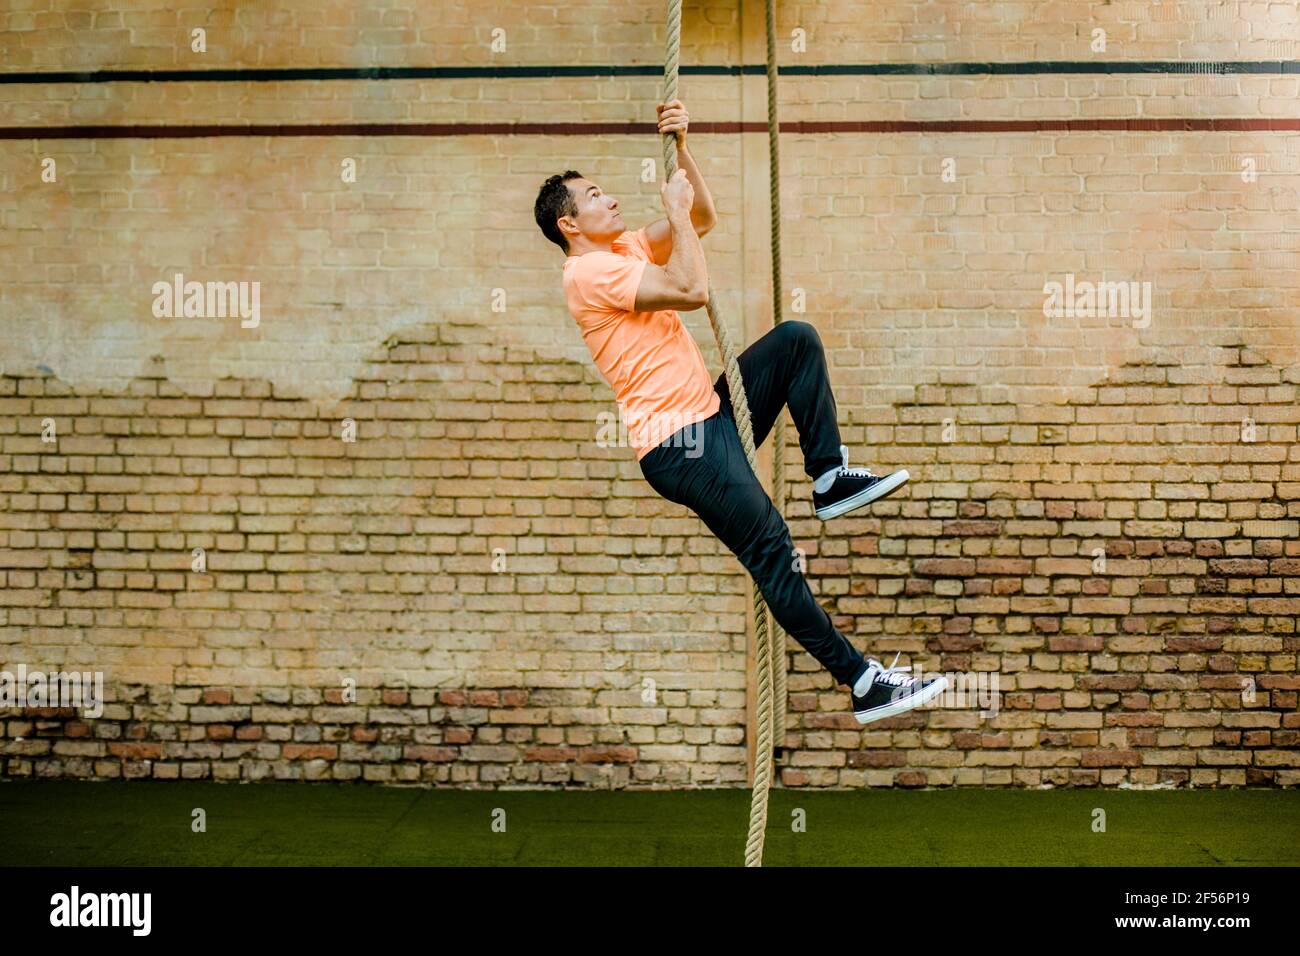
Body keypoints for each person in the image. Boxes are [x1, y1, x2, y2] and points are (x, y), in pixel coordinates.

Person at [533, 99, 946, 724]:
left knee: (795, 340)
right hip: (682, 444)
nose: (610, 200)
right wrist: (671, 214)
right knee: (772, 551)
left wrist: (683, 147)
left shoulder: (622, 250)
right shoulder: (588, 273)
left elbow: (702, 216)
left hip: (711, 414)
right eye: (594, 196)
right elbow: (692, 291)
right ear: (570, 223)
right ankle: (863, 682)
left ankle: (829, 477)